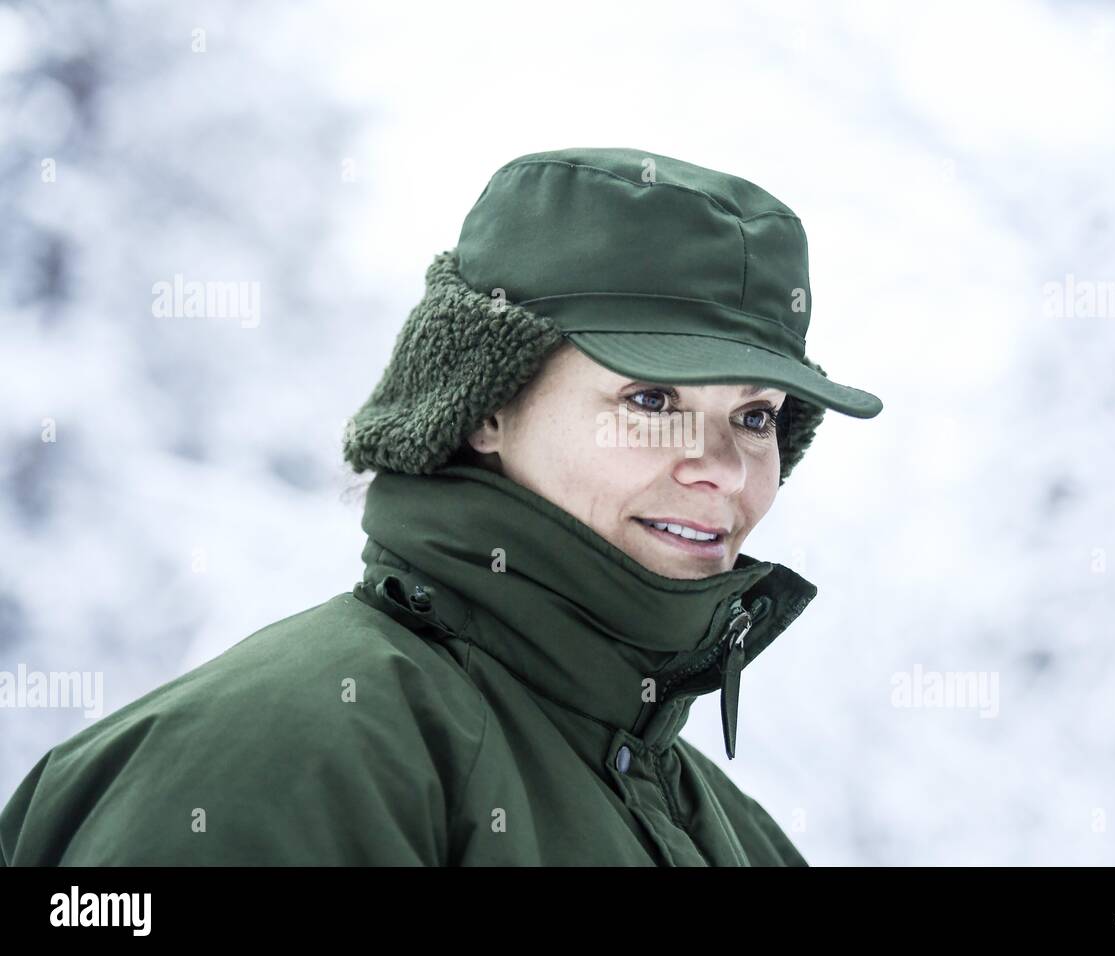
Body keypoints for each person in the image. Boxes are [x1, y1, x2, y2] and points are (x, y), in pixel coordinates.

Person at [0, 147, 883, 866]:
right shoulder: (294, 752)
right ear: (487, 403)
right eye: (652, 402)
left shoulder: (732, 832)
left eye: (755, 416)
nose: (725, 470)